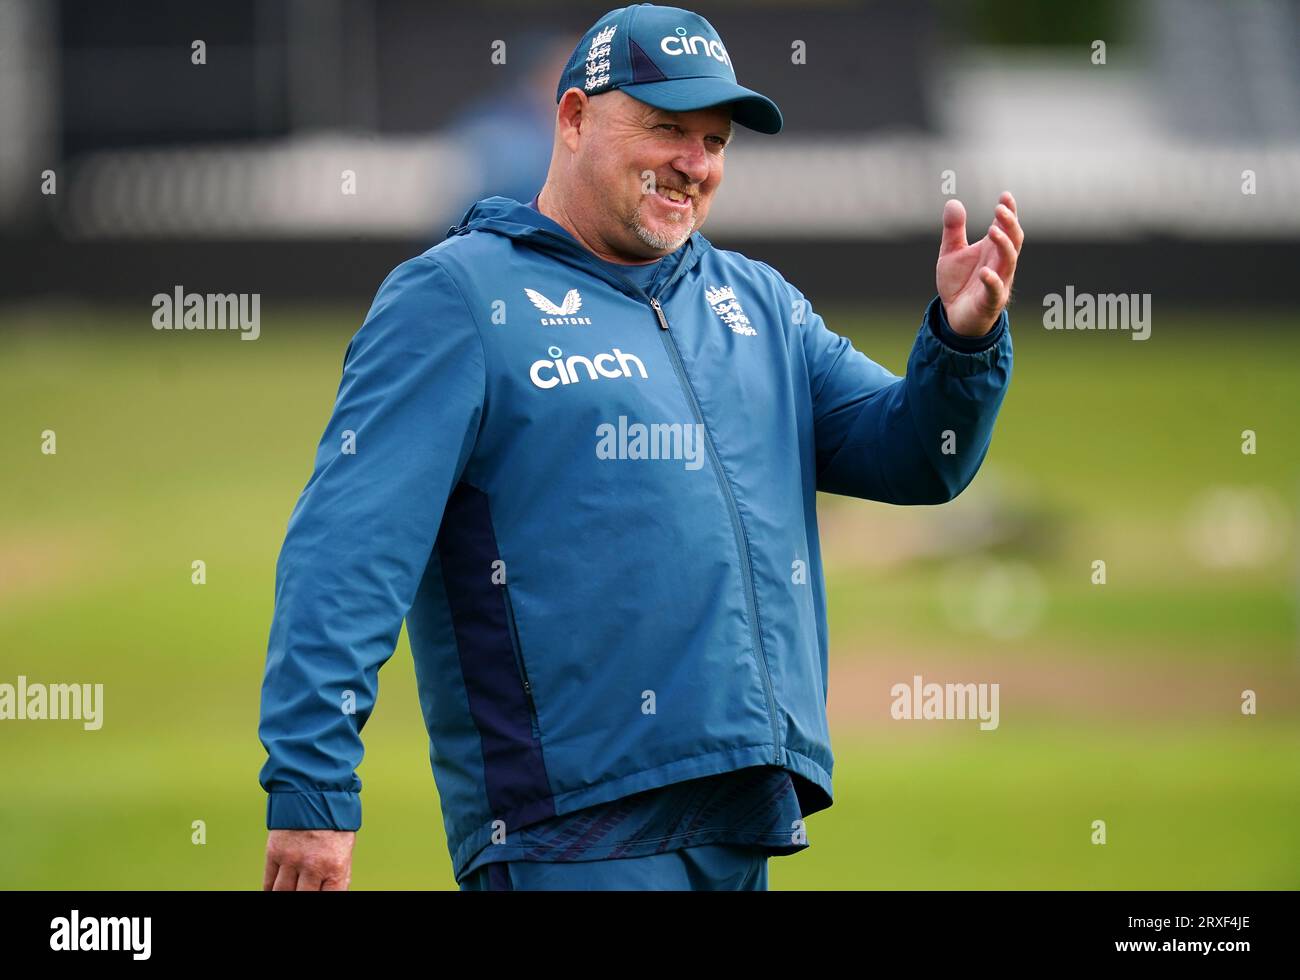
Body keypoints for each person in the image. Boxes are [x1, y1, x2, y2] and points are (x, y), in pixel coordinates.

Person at [259, 2, 1023, 892]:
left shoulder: (759, 303)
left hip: (742, 820)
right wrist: (313, 787)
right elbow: (348, 550)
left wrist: (962, 347)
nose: (694, 163)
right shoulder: (455, 298)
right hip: (571, 838)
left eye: (716, 141)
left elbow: (916, 457)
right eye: (665, 128)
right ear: (574, 119)